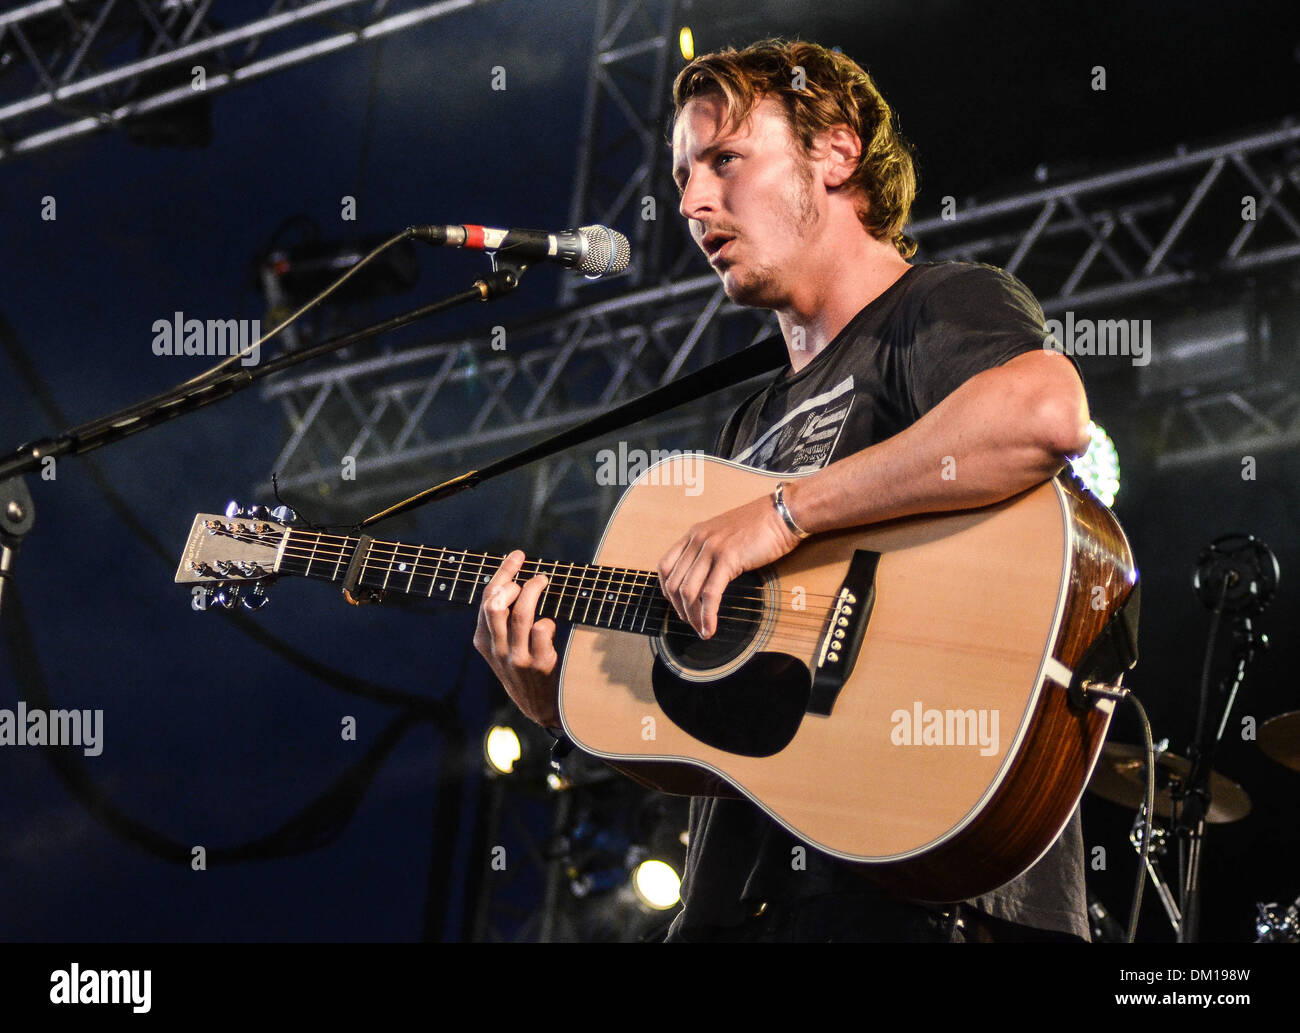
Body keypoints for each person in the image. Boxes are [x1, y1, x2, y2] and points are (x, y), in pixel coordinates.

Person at [473, 39, 1093, 942]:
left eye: (725, 159)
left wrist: (782, 512)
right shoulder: (743, 428)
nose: (690, 202)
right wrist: (555, 703)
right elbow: (718, 728)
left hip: (922, 889)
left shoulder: (935, 307)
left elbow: (1044, 413)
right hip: (754, 905)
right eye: (684, 175)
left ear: (835, 154)